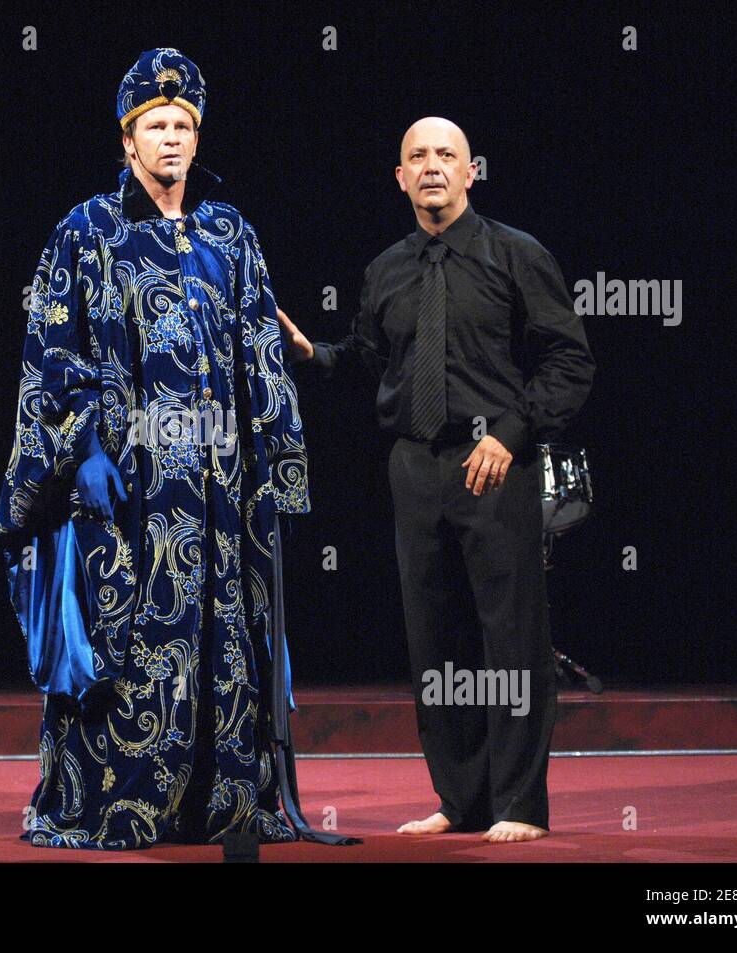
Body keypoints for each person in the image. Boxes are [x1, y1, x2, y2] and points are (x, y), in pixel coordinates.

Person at [0, 49, 310, 849]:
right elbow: (52, 350)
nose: (170, 140)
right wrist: (81, 453)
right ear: (127, 139)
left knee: (223, 632)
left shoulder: (230, 231)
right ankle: (119, 801)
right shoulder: (87, 230)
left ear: (198, 138)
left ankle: (222, 802)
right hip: (131, 486)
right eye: (154, 127)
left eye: (182, 126)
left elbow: (261, 347)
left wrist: (278, 466)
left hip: (222, 483)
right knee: (131, 640)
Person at [278, 117, 594, 842]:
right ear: (399, 176)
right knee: (435, 640)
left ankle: (518, 804)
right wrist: (312, 354)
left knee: (510, 639)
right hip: (414, 468)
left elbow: (569, 362)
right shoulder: (387, 267)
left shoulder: (516, 255)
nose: (431, 167)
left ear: (469, 170)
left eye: (445, 155)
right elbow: (369, 355)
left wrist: (513, 435)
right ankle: (459, 797)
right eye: (417, 157)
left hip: (494, 464)